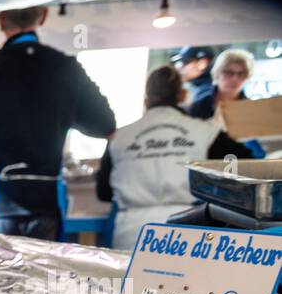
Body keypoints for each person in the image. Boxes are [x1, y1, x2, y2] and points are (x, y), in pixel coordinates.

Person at [0, 6, 115, 240]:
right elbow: (104, 124)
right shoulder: (66, 67)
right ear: (43, 15)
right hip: (47, 201)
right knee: (43, 276)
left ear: (1, 20)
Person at [97, 66, 256, 250]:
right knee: (184, 279)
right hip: (189, 228)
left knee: (133, 279)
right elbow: (247, 165)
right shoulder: (205, 132)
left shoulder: (119, 137)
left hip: (131, 233)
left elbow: (104, 192)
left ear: (146, 100)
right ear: (182, 95)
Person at [188, 49, 253, 121]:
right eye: (229, 72)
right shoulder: (200, 105)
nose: (235, 79)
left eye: (241, 73)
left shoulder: (252, 108)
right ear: (217, 73)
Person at [171, 46, 214, 111]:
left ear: (202, 63)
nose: (179, 67)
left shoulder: (205, 94)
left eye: (185, 62)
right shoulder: (194, 88)